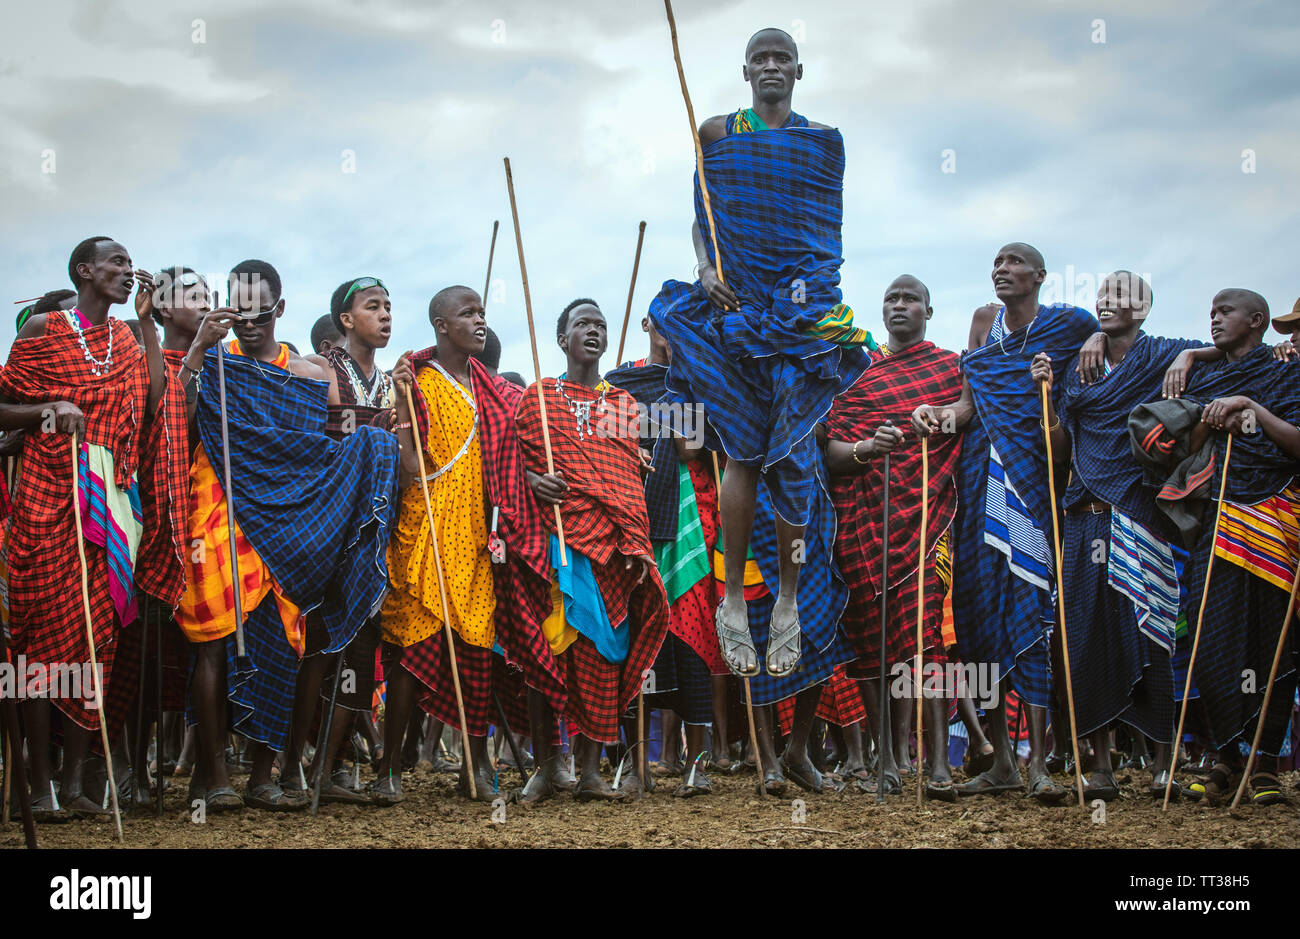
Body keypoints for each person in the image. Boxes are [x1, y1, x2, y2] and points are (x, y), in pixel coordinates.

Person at [648, 27, 872, 683]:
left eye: (781, 58)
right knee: (743, 452)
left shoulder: (821, 142)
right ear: (745, 70)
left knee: (796, 460)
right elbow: (704, 214)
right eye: (760, 58)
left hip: (801, 315)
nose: (771, 65)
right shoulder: (718, 133)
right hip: (734, 310)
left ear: (798, 70)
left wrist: (798, 301)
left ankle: (792, 603)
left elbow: (817, 232)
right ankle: (732, 603)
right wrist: (704, 266)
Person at [176, 259, 399, 812]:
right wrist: (199, 351)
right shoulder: (211, 365)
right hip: (216, 512)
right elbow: (175, 425)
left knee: (281, 641)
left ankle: (261, 777)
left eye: (259, 312)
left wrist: (377, 444)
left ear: (278, 309)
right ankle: (213, 774)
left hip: (287, 526)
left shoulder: (308, 374)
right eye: (238, 311)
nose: (248, 322)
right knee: (212, 643)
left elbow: (322, 449)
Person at [912, 243, 1099, 804]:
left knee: (1030, 611)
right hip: (977, 481)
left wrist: (1091, 343)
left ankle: (1039, 761)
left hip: (1030, 484)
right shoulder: (982, 323)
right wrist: (936, 416)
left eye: (1014, 261)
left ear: (1040, 276)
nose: (1001, 268)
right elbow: (968, 407)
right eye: (996, 261)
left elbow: (1095, 359)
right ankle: (1000, 763)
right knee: (979, 619)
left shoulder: (1071, 324)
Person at [372, 286, 567, 804]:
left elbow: (503, 461)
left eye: (483, 312)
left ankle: (475, 766)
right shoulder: (418, 382)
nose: (480, 320)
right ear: (441, 325)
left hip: (481, 537)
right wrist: (401, 412)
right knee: (416, 649)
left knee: (477, 651)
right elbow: (410, 467)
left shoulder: (494, 390)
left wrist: (532, 479)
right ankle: (389, 768)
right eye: (468, 314)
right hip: (429, 527)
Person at [1030, 271, 1220, 801]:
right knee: (1085, 639)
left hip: (1142, 514)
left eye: (1121, 297)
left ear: (1144, 308)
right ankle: (1101, 768)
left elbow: (1226, 351)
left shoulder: (1164, 354)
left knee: (1153, 632)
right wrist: (1045, 395)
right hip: (1085, 515)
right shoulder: (1078, 369)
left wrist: (1192, 359)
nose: (1107, 302)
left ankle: (1164, 766)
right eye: (1103, 295)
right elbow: (1058, 448)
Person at [0, 236, 170, 820]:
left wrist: (147, 326)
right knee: (43, 639)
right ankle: (39, 784)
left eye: (129, 262)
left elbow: (151, 404)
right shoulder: (43, 329)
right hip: (48, 499)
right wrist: (48, 411)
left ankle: (77, 782)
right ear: (84, 271)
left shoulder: (125, 336)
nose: (128, 271)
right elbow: (1, 405)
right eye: (117, 262)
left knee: (96, 640)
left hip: (109, 504)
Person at [1129, 288, 1300, 805]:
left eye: (1225, 312)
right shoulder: (1203, 376)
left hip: (1275, 517)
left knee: (1272, 644)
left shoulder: (1287, 370)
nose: (1214, 318)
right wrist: (1205, 414)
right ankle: (1225, 756)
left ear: (1258, 320)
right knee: (1211, 641)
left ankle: (1265, 765)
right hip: (1217, 519)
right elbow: (1178, 451)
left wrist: (1250, 407)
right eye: (1211, 311)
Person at [515, 299, 670, 802]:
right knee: (549, 651)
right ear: (562, 338)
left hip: (611, 547)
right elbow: (509, 467)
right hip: (555, 543)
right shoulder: (538, 398)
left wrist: (631, 488)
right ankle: (546, 766)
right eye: (582, 323)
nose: (594, 331)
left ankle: (589, 771)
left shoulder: (622, 404)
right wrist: (535, 479)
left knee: (603, 657)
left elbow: (622, 476)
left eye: (601, 325)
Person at [825, 275, 963, 799]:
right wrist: (868, 447)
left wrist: (940, 416)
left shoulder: (951, 367)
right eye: (891, 299)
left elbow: (969, 414)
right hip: (864, 522)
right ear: (881, 311)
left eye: (910, 299)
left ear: (929, 310)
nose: (900, 305)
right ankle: (885, 754)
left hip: (926, 520)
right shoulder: (858, 375)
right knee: (871, 642)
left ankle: (936, 766)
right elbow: (834, 453)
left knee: (924, 638)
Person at [282, 276, 399, 805]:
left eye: (389, 307)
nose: (385, 314)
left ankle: (328, 768)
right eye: (372, 306)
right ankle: (291, 768)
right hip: (331, 529)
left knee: (361, 652)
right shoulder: (318, 368)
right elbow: (304, 448)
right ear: (347, 320)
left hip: (378, 531)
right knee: (321, 649)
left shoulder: (396, 384)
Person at [606, 314, 728, 796]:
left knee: (693, 637)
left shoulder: (698, 379)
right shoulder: (620, 384)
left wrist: (684, 388)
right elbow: (614, 447)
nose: (674, 331)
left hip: (692, 523)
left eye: (685, 323)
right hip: (632, 518)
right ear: (645, 324)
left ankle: (696, 764)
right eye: (665, 323)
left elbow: (690, 449)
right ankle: (640, 766)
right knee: (637, 634)